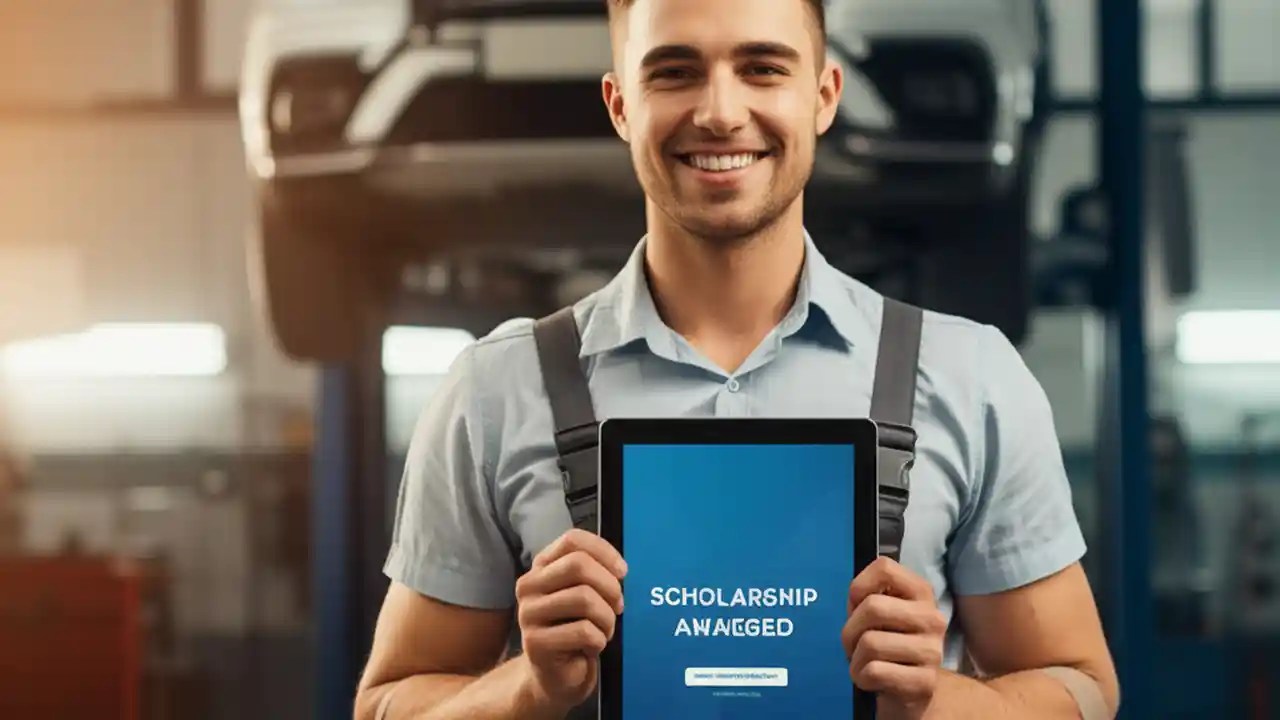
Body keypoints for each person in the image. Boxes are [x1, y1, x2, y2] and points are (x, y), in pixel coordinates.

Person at [354, 0, 1119, 718]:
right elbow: (386, 704)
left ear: (823, 96)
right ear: (621, 104)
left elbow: (1085, 690)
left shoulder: (969, 377)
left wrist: (936, 700)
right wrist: (529, 687)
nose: (720, 113)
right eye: (674, 71)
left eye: (762, 68)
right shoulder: (496, 391)